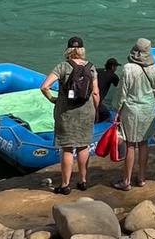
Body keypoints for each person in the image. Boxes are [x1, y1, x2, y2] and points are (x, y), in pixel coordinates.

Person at [40, 36, 100, 195]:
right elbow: (95, 93)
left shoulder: (62, 67)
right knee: (83, 146)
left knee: (67, 148)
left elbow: (44, 86)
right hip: (86, 112)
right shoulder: (91, 67)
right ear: (82, 50)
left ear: (68, 50)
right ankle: (83, 181)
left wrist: (53, 99)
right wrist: (96, 110)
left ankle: (65, 185)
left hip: (66, 113)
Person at [112, 38, 155, 191]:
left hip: (132, 111)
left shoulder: (128, 68)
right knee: (144, 143)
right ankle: (141, 178)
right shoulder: (154, 67)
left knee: (131, 145)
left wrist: (117, 110)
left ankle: (126, 181)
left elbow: (122, 93)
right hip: (148, 109)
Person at [96, 58, 121, 123]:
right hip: (97, 102)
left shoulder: (97, 71)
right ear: (112, 67)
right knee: (107, 116)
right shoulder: (113, 76)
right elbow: (120, 87)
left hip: (89, 98)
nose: (116, 69)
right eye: (116, 67)